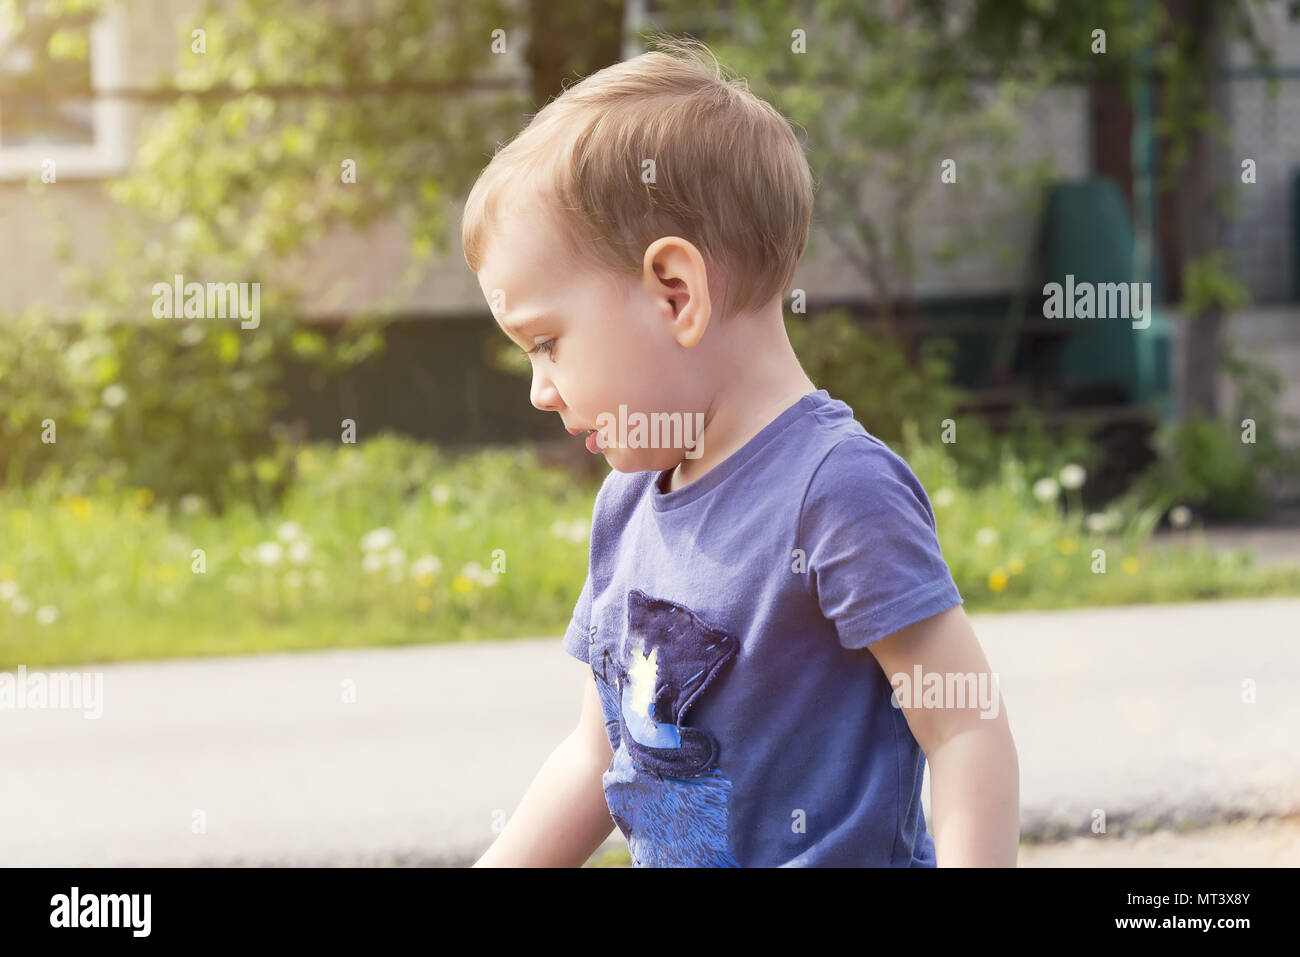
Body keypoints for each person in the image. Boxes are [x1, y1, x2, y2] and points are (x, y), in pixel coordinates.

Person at [461, 36, 1018, 867]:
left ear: (674, 293)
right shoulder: (627, 507)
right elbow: (594, 755)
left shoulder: (836, 490)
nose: (541, 389)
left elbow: (965, 725)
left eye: (547, 341)